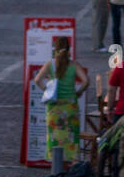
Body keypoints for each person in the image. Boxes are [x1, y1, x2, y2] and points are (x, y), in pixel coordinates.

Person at [34, 35, 89, 164]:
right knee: (72, 140)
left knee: (55, 140)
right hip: (70, 107)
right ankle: (73, 169)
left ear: (55, 49)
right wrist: (78, 92)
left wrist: (47, 90)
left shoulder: (50, 65)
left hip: (54, 107)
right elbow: (86, 81)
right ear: (69, 49)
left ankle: (56, 170)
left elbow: (37, 79)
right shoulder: (74, 65)